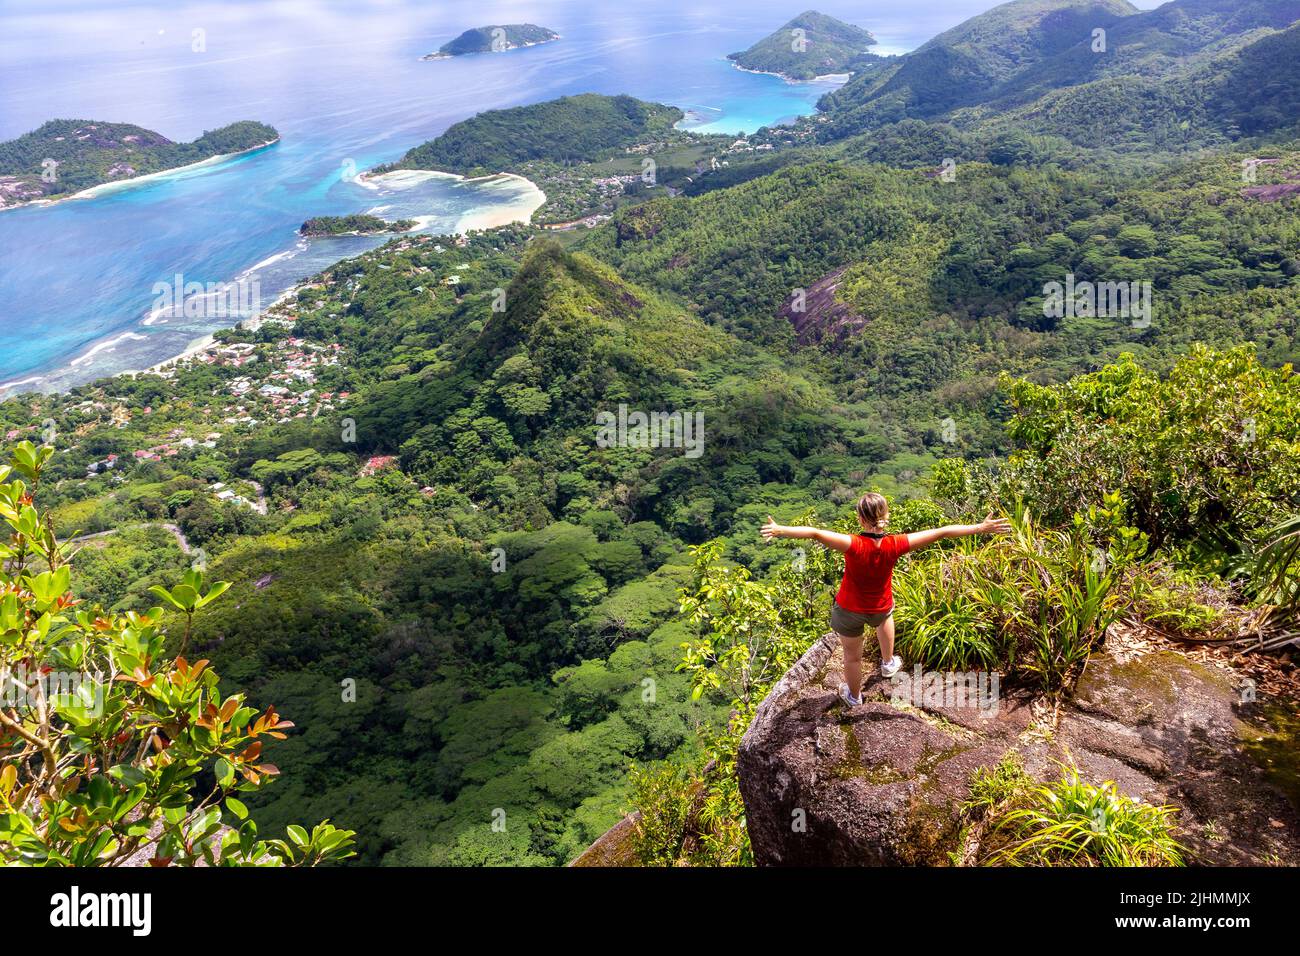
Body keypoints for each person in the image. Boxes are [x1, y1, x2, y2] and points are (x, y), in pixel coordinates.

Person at [761, 493, 1011, 706]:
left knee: (852, 658)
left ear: (860, 518)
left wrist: (781, 530)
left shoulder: (853, 544)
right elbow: (942, 532)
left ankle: (854, 697)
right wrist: (980, 527)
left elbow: (815, 533)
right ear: (885, 516)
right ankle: (888, 663)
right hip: (880, 607)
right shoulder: (896, 544)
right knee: (886, 617)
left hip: (848, 609)